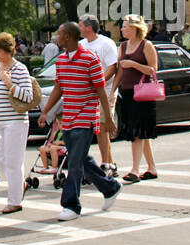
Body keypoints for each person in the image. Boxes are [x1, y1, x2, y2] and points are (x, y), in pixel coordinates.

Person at [38, 21, 121, 220]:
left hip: (86, 118)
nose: (56, 38)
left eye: (59, 34)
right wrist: (46, 111)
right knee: (81, 158)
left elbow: (101, 89)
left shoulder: (89, 59)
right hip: (68, 118)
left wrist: (108, 119)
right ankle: (110, 187)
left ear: (68, 36)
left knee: (74, 162)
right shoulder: (61, 61)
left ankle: (71, 205)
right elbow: (59, 87)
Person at [0, 32, 34, 215]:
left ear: (9, 51)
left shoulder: (20, 69)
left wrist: (10, 84)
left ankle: (14, 201)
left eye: (1, 51)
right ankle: (19, 185)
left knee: (13, 161)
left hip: (16, 121)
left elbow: (27, 96)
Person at [110, 15, 160, 182]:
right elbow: (120, 71)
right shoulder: (123, 46)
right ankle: (151, 168)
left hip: (143, 93)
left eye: (125, 26)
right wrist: (112, 91)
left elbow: (153, 70)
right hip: (129, 93)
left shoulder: (146, 45)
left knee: (137, 133)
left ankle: (135, 170)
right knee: (140, 132)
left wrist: (134, 65)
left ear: (135, 28)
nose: (122, 29)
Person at [79, 14, 119, 176]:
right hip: (86, 94)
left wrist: (97, 83)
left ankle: (105, 164)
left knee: (102, 128)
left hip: (105, 92)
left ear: (89, 27)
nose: (79, 28)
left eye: (81, 25)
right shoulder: (80, 44)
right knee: (92, 129)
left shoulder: (106, 43)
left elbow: (112, 67)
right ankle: (110, 164)